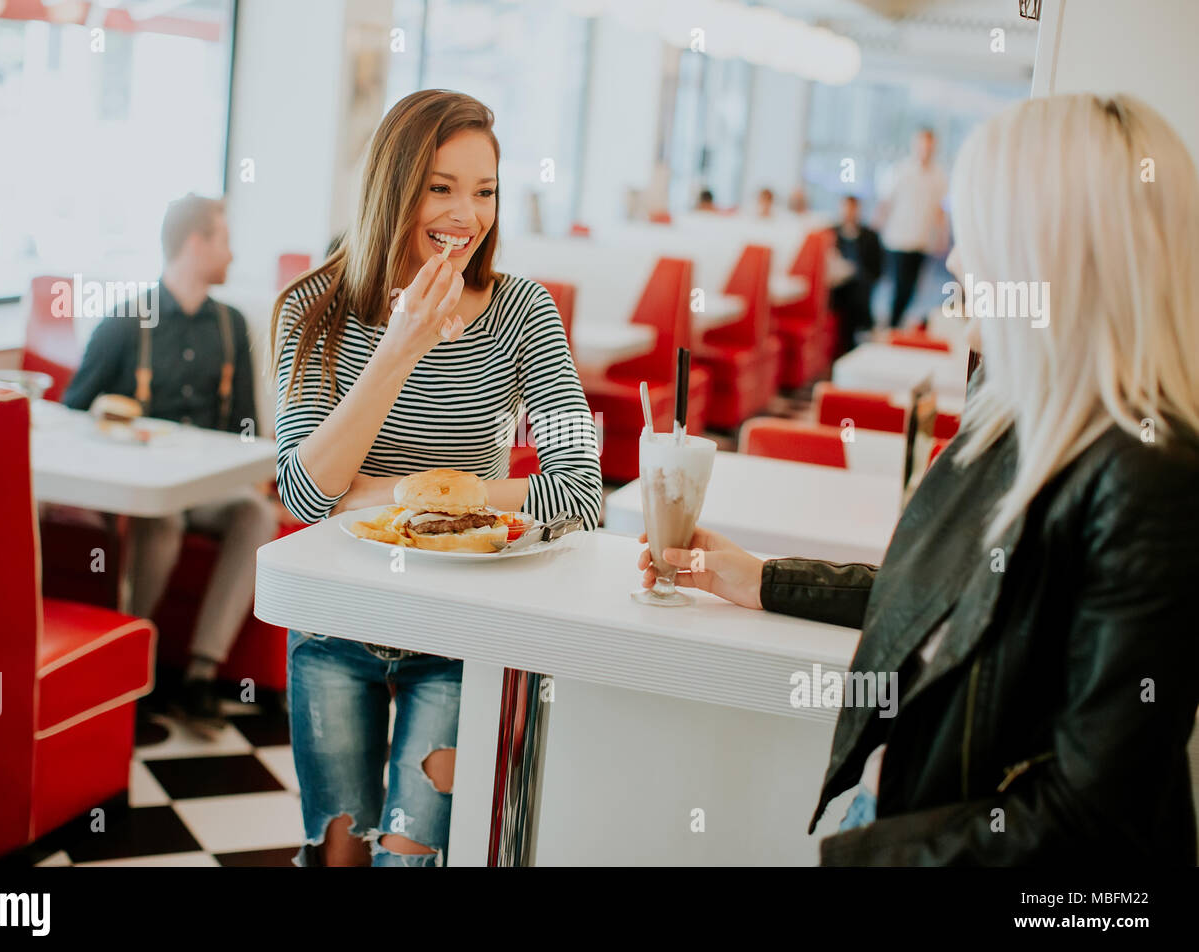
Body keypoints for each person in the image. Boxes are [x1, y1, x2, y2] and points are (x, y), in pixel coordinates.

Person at [637, 94, 1199, 864]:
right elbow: (956, 605)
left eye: (977, 235)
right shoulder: (1013, 415)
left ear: (1049, 254)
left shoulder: (1151, 479)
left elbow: (1091, 820)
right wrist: (760, 578)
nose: (957, 262)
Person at [271, 90, 602, 867]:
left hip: (459, 626)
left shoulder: (525, 311)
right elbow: (305, 494)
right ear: (394, 187)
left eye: (484, 190)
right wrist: (400, 346)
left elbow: (582, 494)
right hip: (336, 617)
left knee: (409, 858)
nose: (467, 214)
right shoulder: (313, 310)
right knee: (338, 858)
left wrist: (408, 496)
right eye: (441, 187)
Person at [63, 195, 277, 726]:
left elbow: (247, 428)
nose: (232, 254)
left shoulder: (232, 325)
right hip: (143, 491)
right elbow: (73, 412)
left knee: (255, 514)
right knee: (163, 523)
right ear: (196, 244)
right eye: (225, 240)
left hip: (203, 487)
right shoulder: (124, 322)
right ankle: (131, 667)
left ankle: (201, 673)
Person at [875, 127, 948, 327]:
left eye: (930, 147)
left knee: (911, 288)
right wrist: (877, 228)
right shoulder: (901, 171)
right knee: (898, 286)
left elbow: (940, 210)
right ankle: (890, 325)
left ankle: (895, 324)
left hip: (921, 241)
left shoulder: (939, 176)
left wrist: (942, 235)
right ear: (916, 146)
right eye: (923, 146)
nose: (926, 150)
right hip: (897, 239)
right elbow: (885, 202)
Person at [829, 194, 883, 355]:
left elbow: (876, 268)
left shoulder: (870, 236)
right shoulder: (831, 233)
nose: (849, 212)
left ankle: (851, 340)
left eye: (852, 208)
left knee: (857, 291)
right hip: (837, 287)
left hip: (860, 285)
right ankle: (864, 327)